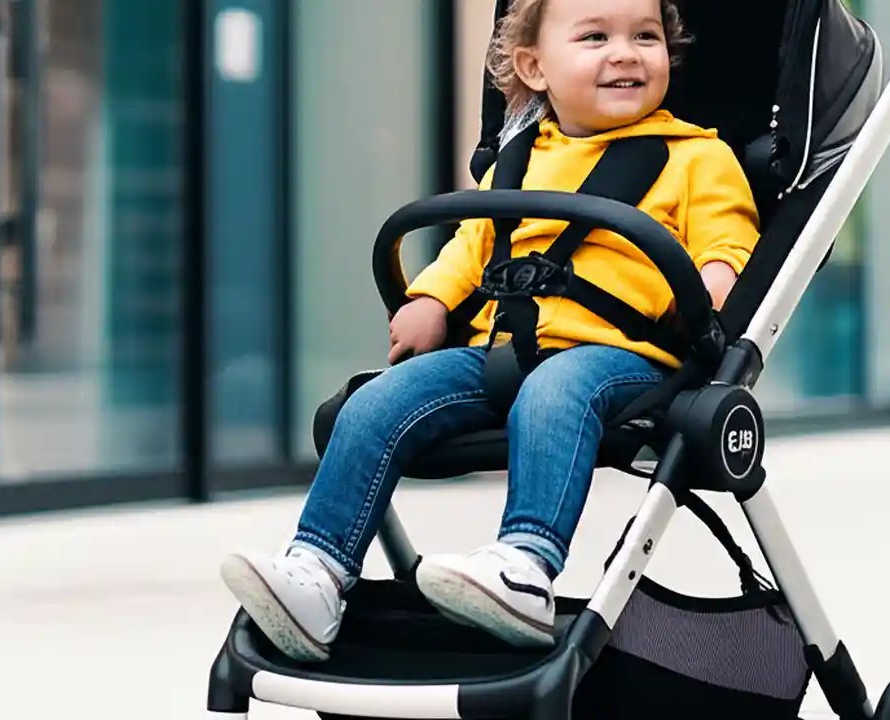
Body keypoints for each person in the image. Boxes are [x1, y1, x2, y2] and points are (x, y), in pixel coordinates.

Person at [219, 0, 760, 661]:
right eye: (596, 37)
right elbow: (473, 248)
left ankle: (525, 566)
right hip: (501, 350)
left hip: (622, 358)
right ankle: (319, 572)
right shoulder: (519, 157)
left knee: (557, 389)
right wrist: (431, 299)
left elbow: (727, 243)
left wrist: (713, 285)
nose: (626, 53)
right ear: (534, 66)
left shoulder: (697, 156)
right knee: (376, 403)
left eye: (645, 36)